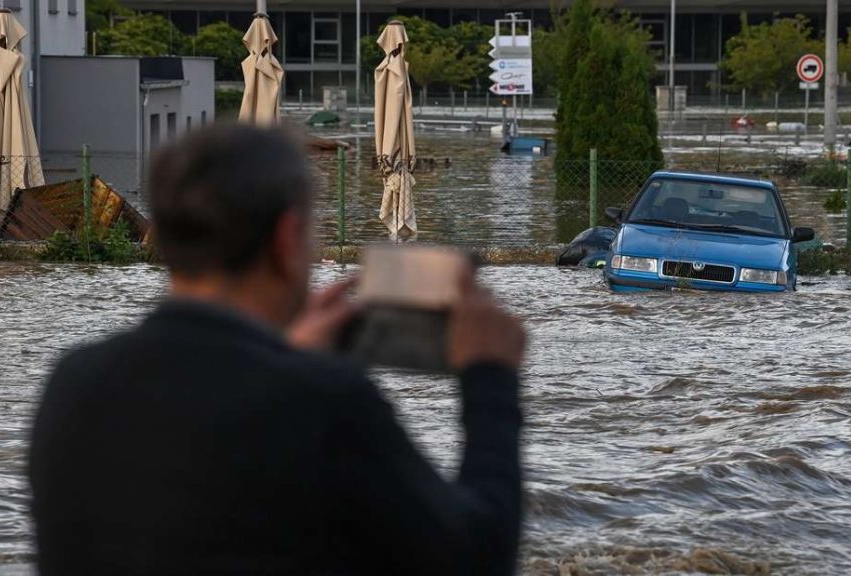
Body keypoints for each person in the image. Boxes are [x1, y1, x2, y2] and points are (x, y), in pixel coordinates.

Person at [28, 125, 526, 575]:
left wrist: (286, 352)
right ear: (287, 239)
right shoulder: (325, 402)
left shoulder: (73, 382)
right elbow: (476, 553)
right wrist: (489, 376)